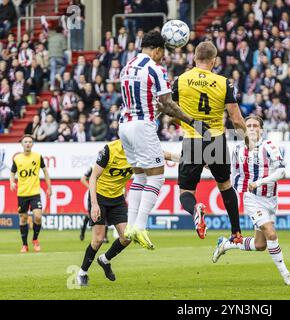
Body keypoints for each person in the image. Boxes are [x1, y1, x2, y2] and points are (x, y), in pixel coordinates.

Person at [118, 30, 209, 249]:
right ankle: (140, 226)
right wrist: (192, 121)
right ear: (157, 50)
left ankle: (131, 226)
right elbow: (167, 104)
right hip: (142, 126)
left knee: (139, 176)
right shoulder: (155, 69)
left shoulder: (127, 66)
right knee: (157, 177)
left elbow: (147, 100)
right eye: (162, 53)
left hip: (124, 125)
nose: (162, 57)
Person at [172, 41, 248, 242]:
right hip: (215, 139)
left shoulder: (180, 80)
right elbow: (237, 119)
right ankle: (236, 233)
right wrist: (248, 140)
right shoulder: (224, 83)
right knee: (225, 185)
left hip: (193, 139)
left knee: (186, 192)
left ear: (194, 58)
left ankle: (195, 209)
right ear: (214, 61)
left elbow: (171, 111)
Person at [212, 116, 290, 286]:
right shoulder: (237, 150)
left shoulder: (269, 146)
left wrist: (258, 182)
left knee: (260, 245)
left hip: (271, 199)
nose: (251, 128)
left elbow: (282, 172)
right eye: (248, 125)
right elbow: (231, 173)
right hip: (252, 199)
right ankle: (287, 275)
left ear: (261, 129)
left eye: (255, 125)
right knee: (271, 233)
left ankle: (227, 244)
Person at [76, 140, 133, 286]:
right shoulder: (109, 149)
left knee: (127, 237)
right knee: (98, 239)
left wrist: (186, 157)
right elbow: (92, 177)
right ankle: (82, 272)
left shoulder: (141, 150)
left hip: (117, 199)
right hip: (99, 197)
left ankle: (105, 259)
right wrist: (94, 204)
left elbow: (161, 155)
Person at [9, 135, 52, 253]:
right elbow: (12, 173)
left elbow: (45, 172)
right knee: (23, 218)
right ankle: (24, 245)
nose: (28, 143)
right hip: (22, 194)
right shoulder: (17, 158)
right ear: (22, 144)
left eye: (30, 142)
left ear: (32, 144)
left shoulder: (38, 157)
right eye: (26, 142)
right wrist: (12, 182)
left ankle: (35, 240)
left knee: (37, 216)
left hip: (35, 193)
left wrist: (49, 187)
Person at [79, 166, 109, 243]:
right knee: (91, 215)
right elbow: (83, 179)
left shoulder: (108, 168)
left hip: (105, 193)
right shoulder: (93, 167)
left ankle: (104, 236)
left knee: (105, 214)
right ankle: (83, 233)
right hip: (93, 195)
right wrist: (91, 187)